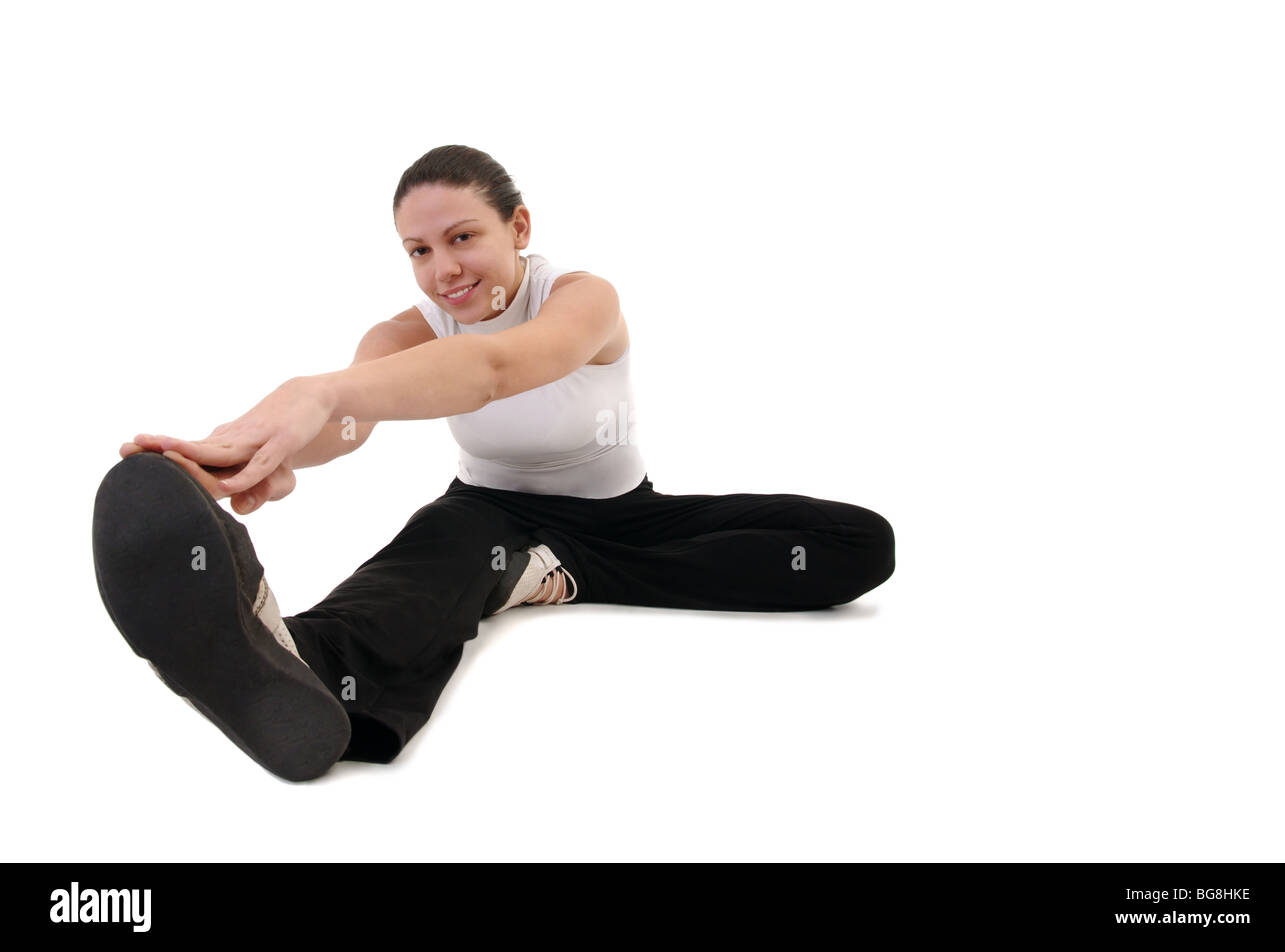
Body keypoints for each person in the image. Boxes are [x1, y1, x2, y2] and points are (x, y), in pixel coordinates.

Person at [92, 145, 895, 783]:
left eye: (462, 236)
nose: (445, 270)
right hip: (489, 510)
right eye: (419, 249)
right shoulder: (402, 333)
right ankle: (294, 661)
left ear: (518, 228)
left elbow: (498, 370)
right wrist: (247, 457)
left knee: (858, 542)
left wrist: (318, 389)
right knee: (440, 558)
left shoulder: (583, 299)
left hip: (627, 515)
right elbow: (348, 427)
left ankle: (557, 570)